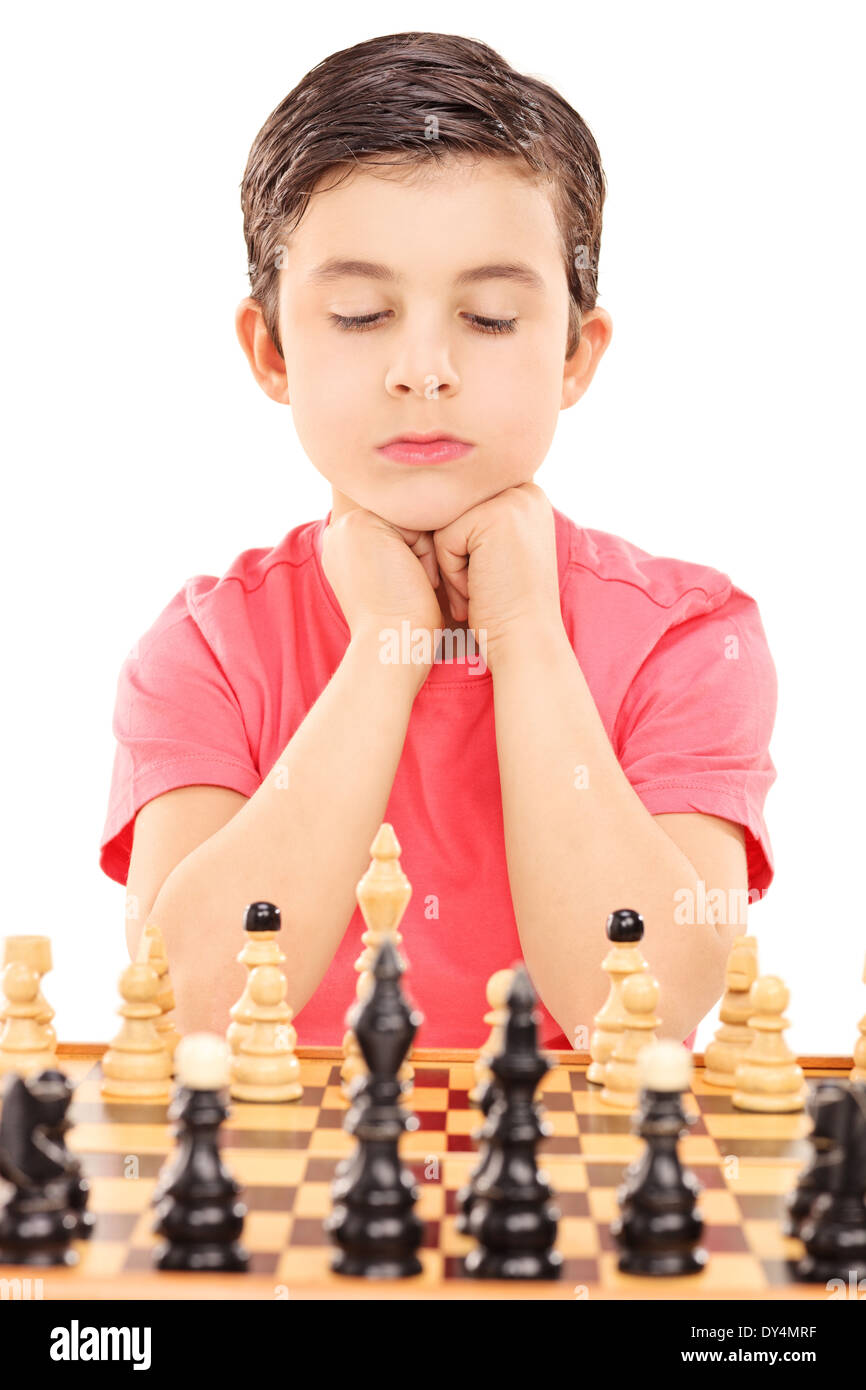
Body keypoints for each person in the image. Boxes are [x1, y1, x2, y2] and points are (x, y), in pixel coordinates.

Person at [99, 32, 777, 1050]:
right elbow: (185, 1001)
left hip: (573, 1205)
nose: (423, 369)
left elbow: (645, 1008)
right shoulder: (205, 645)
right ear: (271, 348)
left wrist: (522, 626)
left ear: (573, 355)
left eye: (492, 318)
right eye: (362, 313)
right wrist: (383, 647)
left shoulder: (687, 635)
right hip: (285, 1195)